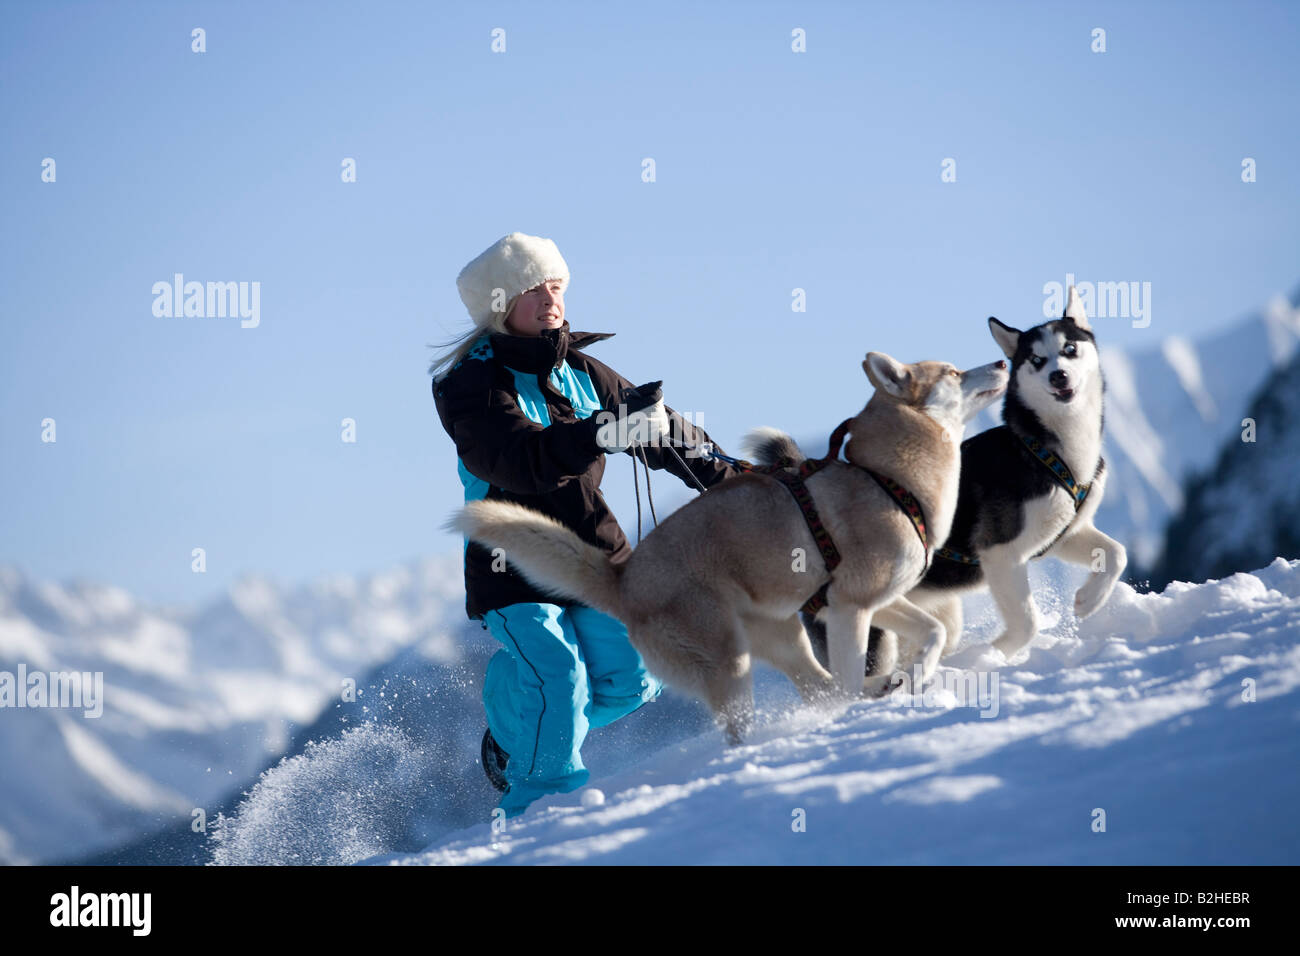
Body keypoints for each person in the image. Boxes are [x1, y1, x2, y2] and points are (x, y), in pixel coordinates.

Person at [430, 232, 738, 818]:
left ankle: (519, 726)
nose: (550, 297)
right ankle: (542, 815)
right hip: (513, 563)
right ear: (500, 303)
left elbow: (662, 431)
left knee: (636, 670)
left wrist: (731, 476)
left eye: (556, 285)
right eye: (532, 287)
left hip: (595, 554)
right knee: (556, 669)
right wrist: (598, 433)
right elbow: (517, 460)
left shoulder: (584, 370)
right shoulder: (468, 384)